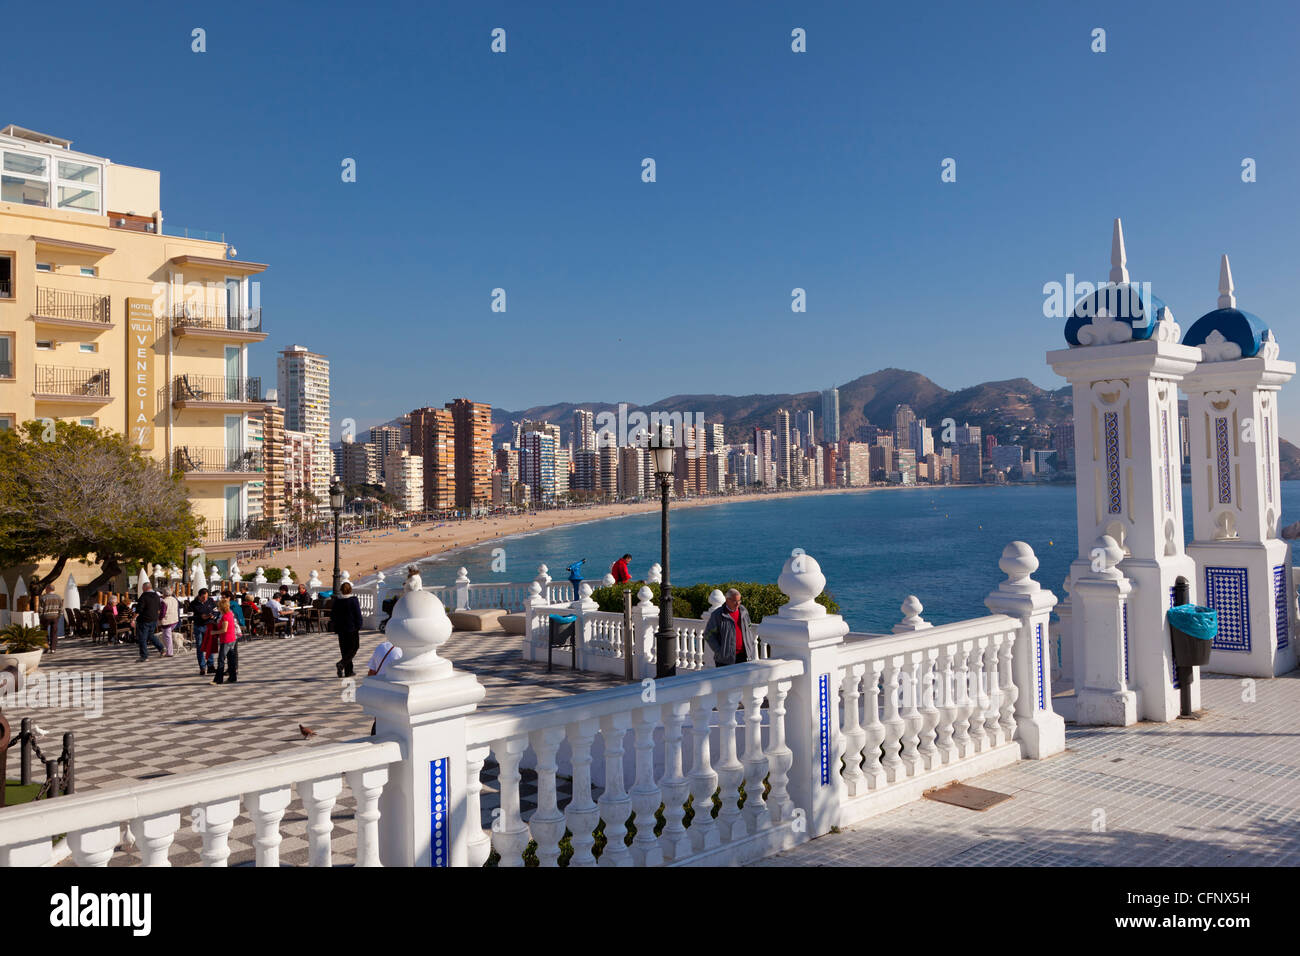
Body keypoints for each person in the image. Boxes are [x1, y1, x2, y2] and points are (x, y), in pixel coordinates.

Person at [703, 588, 756, 666]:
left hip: (744, 656)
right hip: (725, 660)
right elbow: (708, 634)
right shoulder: (718, 615)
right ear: (727, 600)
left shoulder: (744, 611)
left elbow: (749, 627)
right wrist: (719, 651)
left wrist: (750, 645)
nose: (738, 603)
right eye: (735, 601)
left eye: (739, 601)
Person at [331, 581, 363, 678]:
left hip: (341, 629)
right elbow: (358, 614)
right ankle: (342, 664)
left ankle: (348, 671)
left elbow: (333, 615)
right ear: (350, 590)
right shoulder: (353, 600)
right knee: (354, 647)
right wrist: (359, 625)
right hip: (351, 628)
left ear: (341, 590)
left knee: (345, 650)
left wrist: (336, 626)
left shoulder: (337, 601)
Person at [211, 597, 240, 684]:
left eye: (219, 607)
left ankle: (218, 679)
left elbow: (224, 629)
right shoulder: (230, 614)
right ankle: (233, 677)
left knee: (221, 659)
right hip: (232, 639)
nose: (218, 608)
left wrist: (214, 632)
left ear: (221, 608)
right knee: (231, 659)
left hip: (226, 640)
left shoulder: (225, 616)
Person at [134, 581, 166, 662]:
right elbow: (159, 607)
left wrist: (133, 619)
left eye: (142, 588)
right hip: (153, 619)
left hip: (144, 620)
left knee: (142, 638)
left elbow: (139, 610)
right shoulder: (156, 596)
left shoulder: (143, 596)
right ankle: (162, 648)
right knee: (150, 635)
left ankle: (144, 656)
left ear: (145, 588)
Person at [190, 587, 218, 675]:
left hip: (209, 625)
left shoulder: (211, 601)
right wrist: (200, 617)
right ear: (199, 596)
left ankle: (211, 666)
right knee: (200, 646)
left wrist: (213, 615)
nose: (205, 599)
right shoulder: (193, 604)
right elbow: (190, 616)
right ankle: (202, 667)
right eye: (203, 597)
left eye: (206, 597)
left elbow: (216, 611)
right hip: (199, 626)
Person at [38, 583, 64, 656]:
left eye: (46, 589)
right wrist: (58, 617)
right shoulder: (58, 597)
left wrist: (40, 617)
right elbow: (61, 609)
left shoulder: (43, 598)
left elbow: (40, 609)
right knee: (54, 633)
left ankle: (46, 647)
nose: (45, 590)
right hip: (55, 617)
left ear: (48, 589)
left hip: (45, 617)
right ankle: (53, 649)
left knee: (44, 633)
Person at [158, 586, 181, 657]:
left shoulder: (164, 601)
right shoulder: (174, 599)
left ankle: (169, 652)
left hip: (167, 621)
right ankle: (168, 650)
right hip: (175, 620)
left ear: (164, 593)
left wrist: (159, 618)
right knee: (167, 636)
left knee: (167, 637)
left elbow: (163, 612)